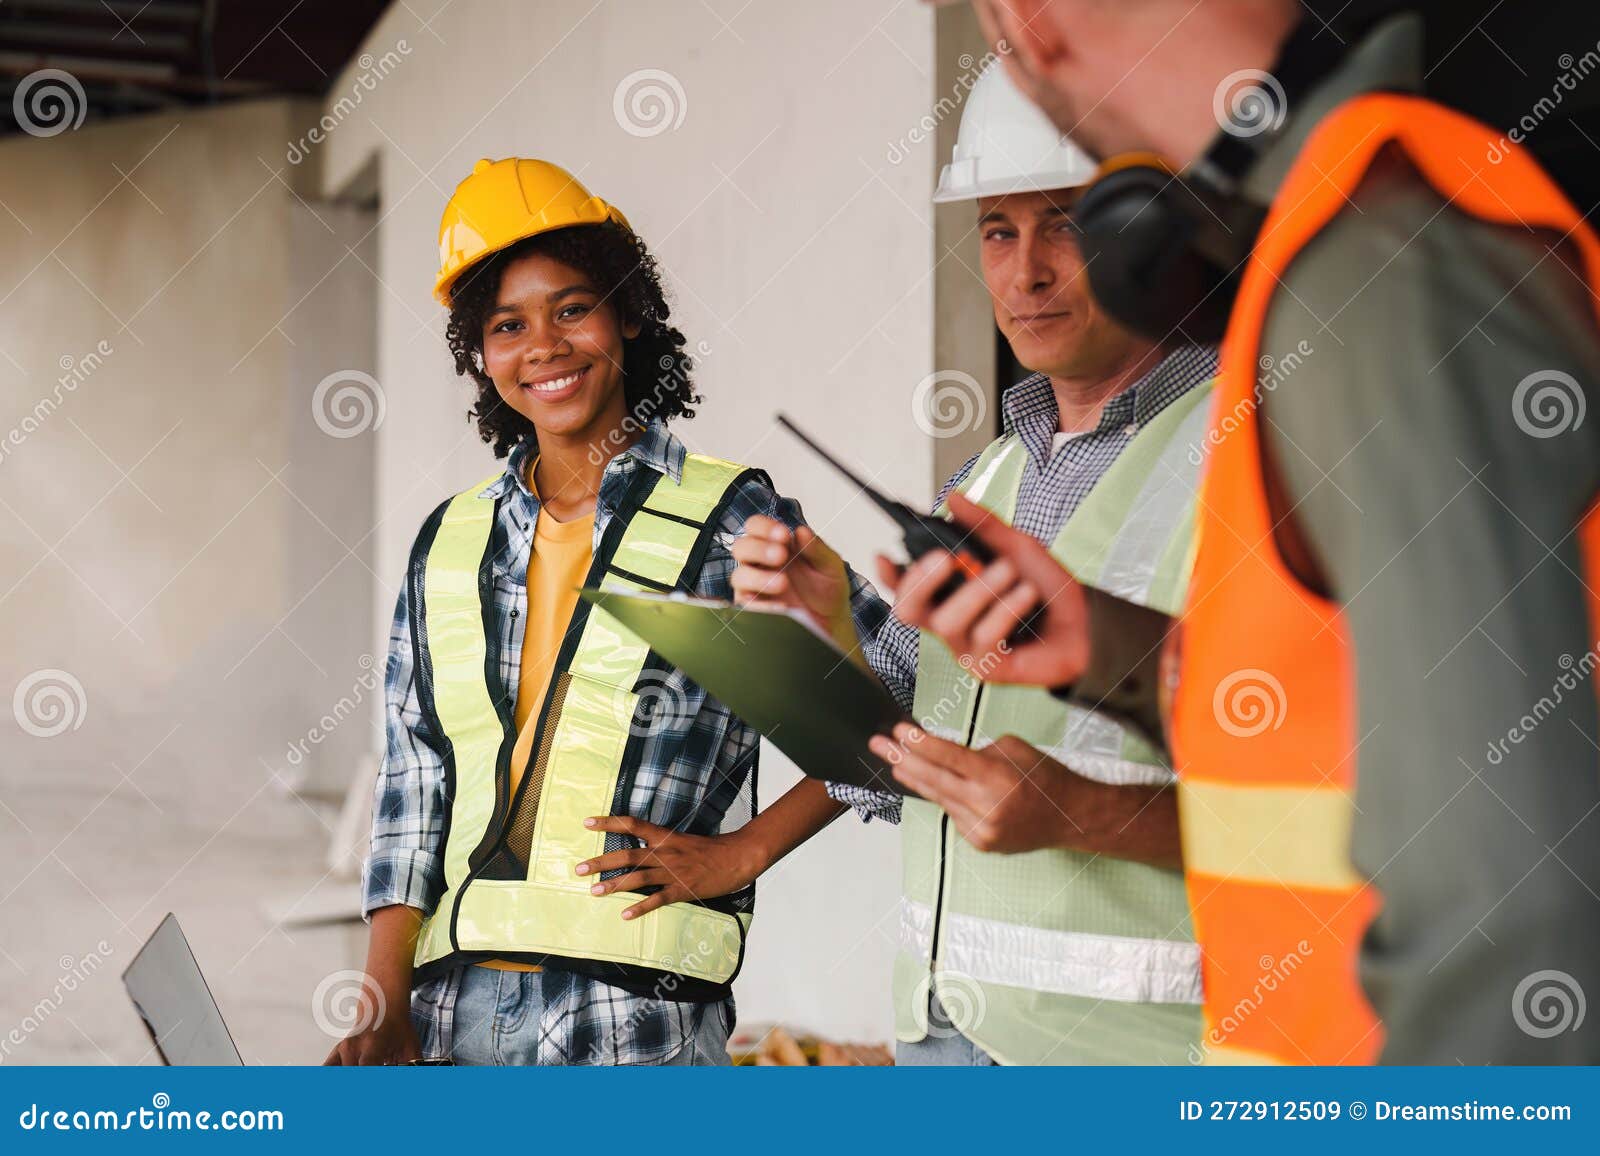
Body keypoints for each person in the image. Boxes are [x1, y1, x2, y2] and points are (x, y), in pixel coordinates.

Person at [899, 2, 1600, 1064]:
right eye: (1000, 227)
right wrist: (1120, 654)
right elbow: (1341, 729)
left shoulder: (1375, 271)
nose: (1029, 268)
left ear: (1023, 25)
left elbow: (1507, 908)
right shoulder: (1352, 238)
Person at [328, 158, 878, 1065]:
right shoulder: (450, 539)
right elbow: (413, 781)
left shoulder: (730, 515)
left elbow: (884, 705)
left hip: (635, 1022)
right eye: (508, 325)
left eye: (572, 308)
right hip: (448, 1010)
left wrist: (741, 853)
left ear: (628, 313)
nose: (544, 345)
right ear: (481, 353)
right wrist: (383, 999)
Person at [732, 63, 1218, 1065]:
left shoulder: (1251, 453)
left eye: (1067, 223)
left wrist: (1085, 813)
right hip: (942, 1040)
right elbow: (893, 756)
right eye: (999, 228)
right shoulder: (989, 474)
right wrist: (829, 626)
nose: (1025, 271)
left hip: (1133, 1056)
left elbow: (1337, 794)